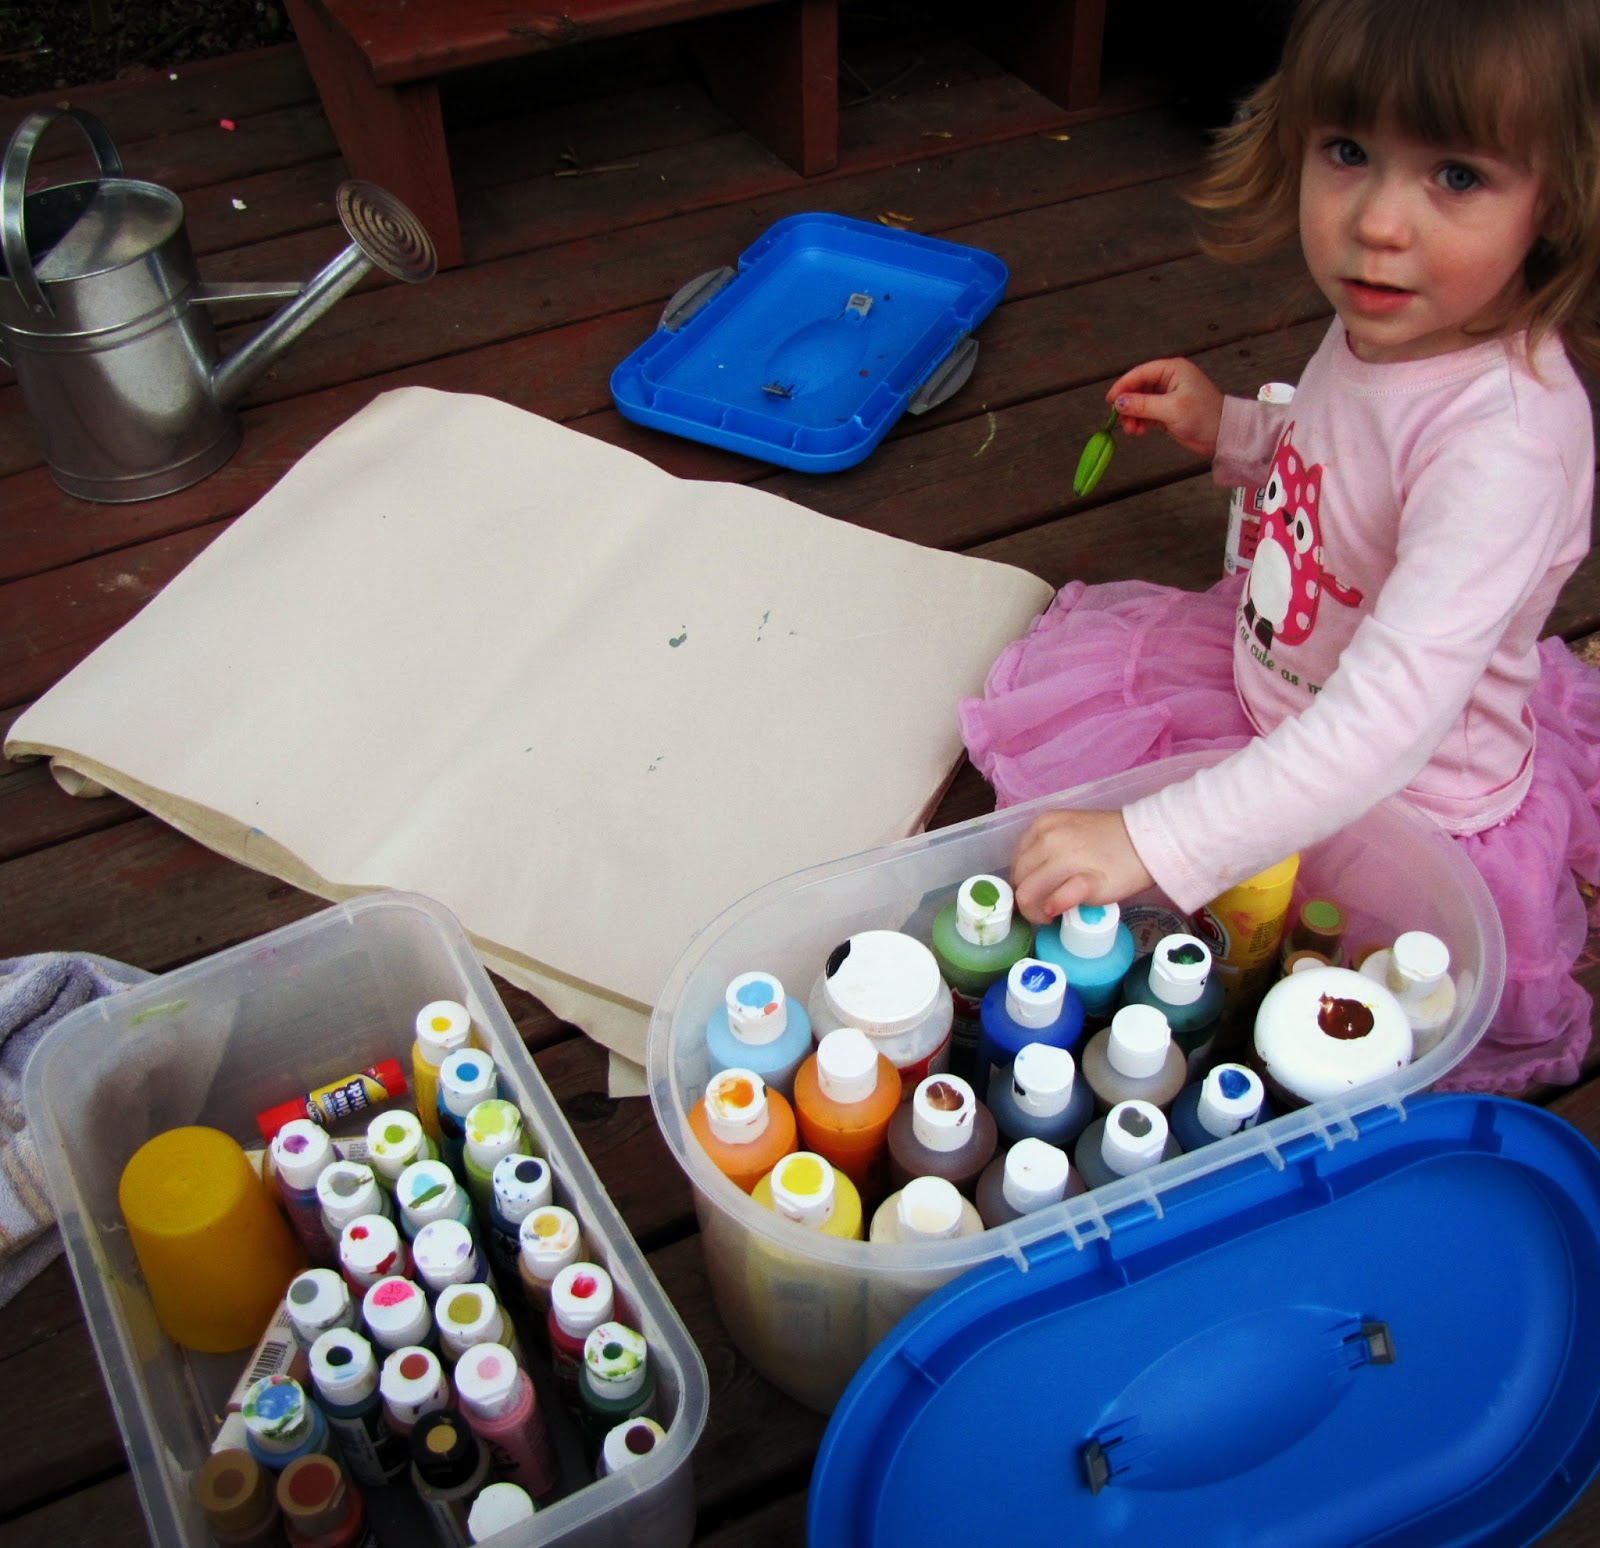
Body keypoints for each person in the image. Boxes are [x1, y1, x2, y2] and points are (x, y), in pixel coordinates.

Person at [959, 0, 1600, 1094]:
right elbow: (1341, 464)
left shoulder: (1503, 444)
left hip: (1399, 805)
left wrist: (1154, 844)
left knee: (1296, 1014)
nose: (1378, 224)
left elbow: (1382, 730)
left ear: (1557, 196)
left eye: (1456, 177)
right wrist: (1235, 431)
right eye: (1348, 152)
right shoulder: (1397, 317)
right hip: (1274, 682)